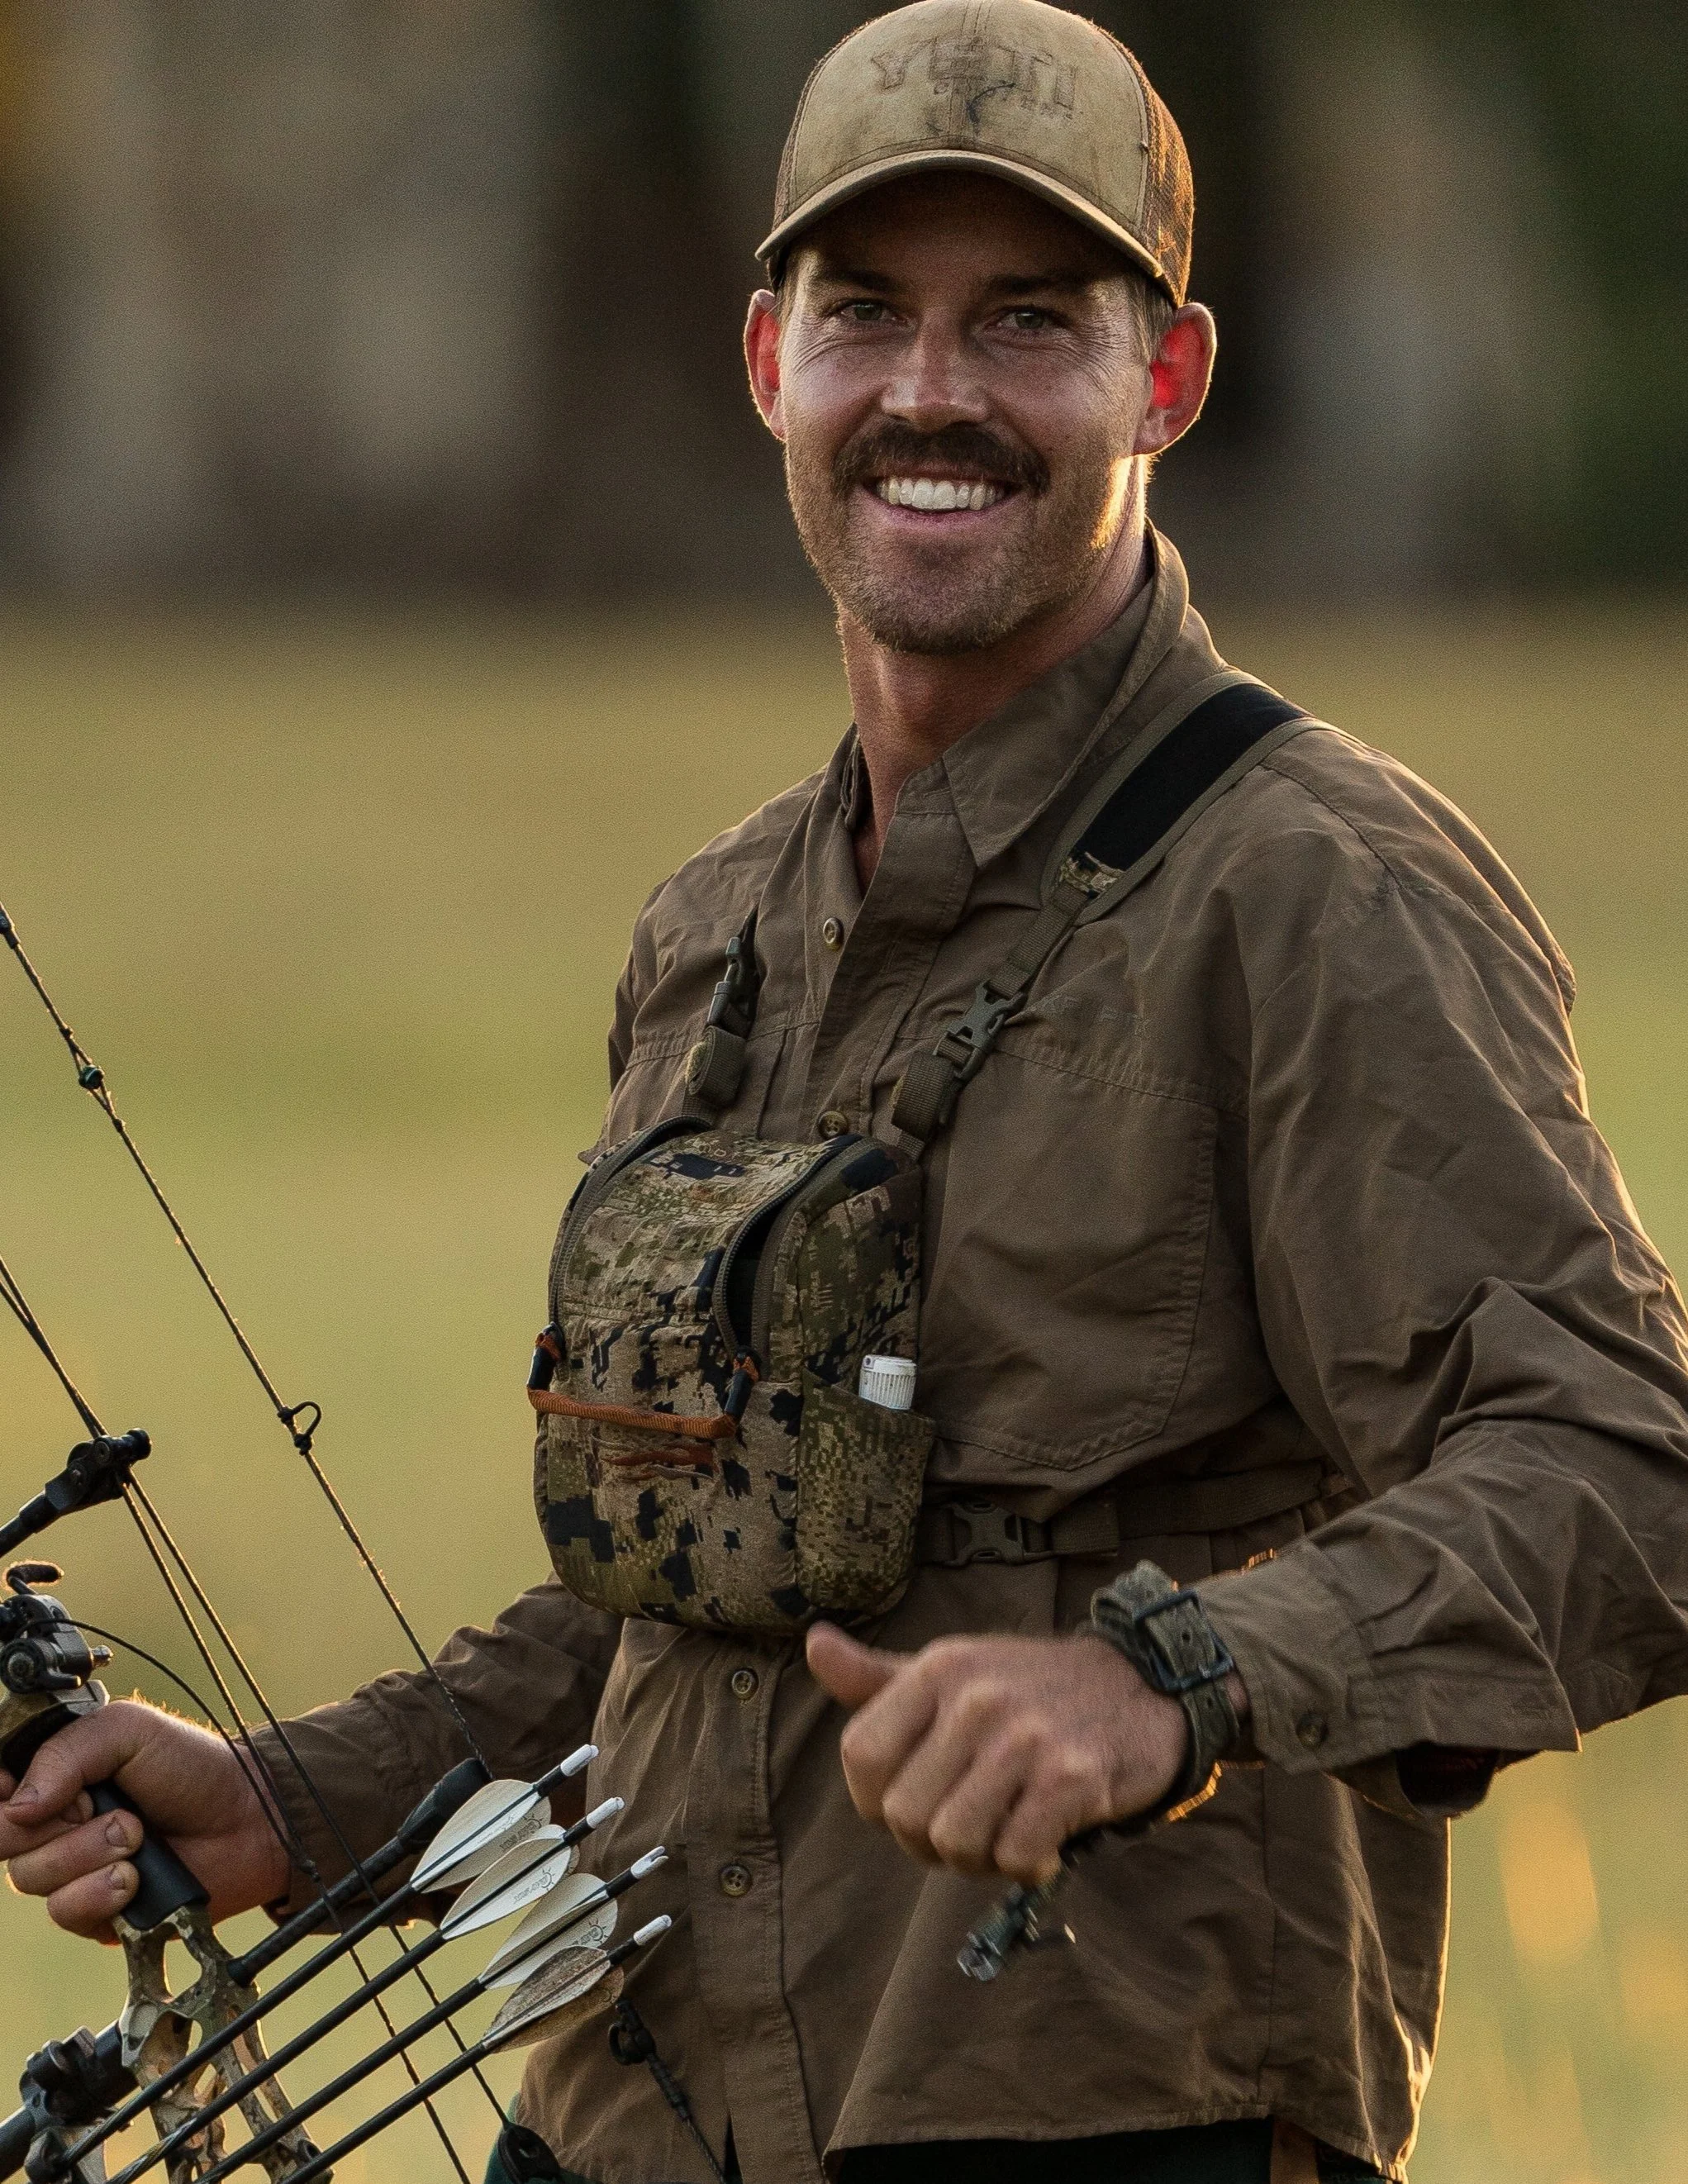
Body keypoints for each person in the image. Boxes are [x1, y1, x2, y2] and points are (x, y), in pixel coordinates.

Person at [6, 4, 1688, 2181]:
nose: (932, 394)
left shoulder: (1314, 888)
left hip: (1093, 2115)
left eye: (1029, 326)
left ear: (1164, 380)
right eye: (868, 313)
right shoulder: (723, 928)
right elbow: (688, 1587)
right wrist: (295, 1798)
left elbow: (1624, 1475)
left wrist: (1171, 1679)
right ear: (767, 363)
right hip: (640, 2115)